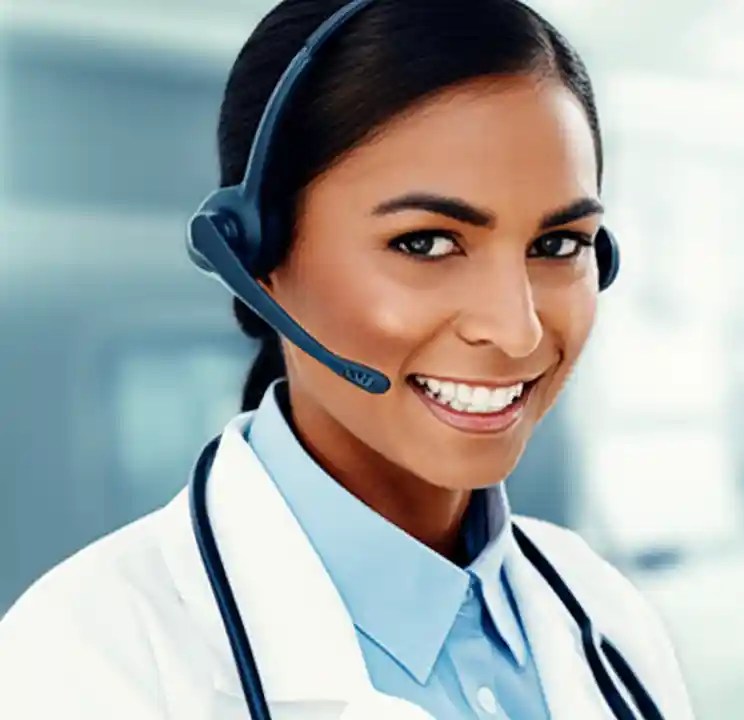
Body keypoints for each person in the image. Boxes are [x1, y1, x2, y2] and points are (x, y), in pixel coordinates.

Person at [0, 2, 695, 719]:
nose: (516, 332)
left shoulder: (605, 613)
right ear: (257, 255)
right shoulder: (80, 663)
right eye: (426, 243)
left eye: (558, 245)